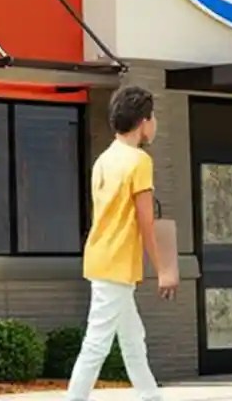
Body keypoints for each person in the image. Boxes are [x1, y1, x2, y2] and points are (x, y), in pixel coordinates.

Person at [66, 84, 177, 401]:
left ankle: (150, 395)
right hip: (116, 262)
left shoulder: (105, 159)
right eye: (153, 117)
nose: (154, 124)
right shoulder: (139, 161)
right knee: (97, 342)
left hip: (102, 257)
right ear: (144, 121)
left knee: (132, 337)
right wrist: (163, 269)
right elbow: (145, 222)